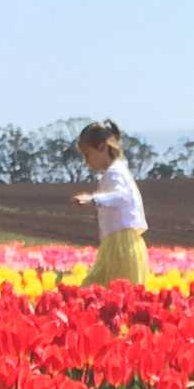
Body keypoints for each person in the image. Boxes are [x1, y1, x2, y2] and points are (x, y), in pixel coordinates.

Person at [71, 121, 148, 285]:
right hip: (116, 243)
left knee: (105, 289)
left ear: (102, 147)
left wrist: (94, 199)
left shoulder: (115, 172)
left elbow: (122, 197)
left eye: (87, 154)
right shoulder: (117, 170)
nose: (86, 161)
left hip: (121, 246)